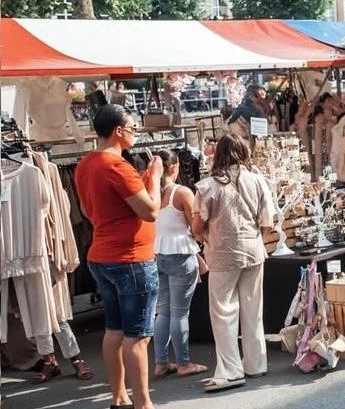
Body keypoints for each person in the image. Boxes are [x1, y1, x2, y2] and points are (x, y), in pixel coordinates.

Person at [74, 104, 163, 409]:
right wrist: (154, 178)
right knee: (137, 335)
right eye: (133, 127)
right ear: (118, 131)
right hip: (131, 259)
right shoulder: (117, 167)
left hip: (102, 255)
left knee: (114, 329)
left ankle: (119, 396)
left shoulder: (85, 165)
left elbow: (87, 212)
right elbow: (150, 211)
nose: (135, 132)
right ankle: (143, 403)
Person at [192, 133, 275, 392]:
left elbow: (197, 227)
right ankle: (256, 363)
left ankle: (230, 370)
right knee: (252, 308)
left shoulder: (207, 186)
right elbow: (268, 222)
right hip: (253, 249)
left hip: (222, 252)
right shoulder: (258, 181)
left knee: (224, 311)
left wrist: (203, 234)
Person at [151, 150, 208, 379]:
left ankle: (161, 362)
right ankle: (183, 362)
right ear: (174, 167)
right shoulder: (182, 192)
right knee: (179, 313)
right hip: (180, 254)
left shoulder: (151, 192)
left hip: (158, 255)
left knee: (163, 311)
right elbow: (196, 227)